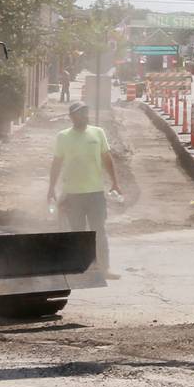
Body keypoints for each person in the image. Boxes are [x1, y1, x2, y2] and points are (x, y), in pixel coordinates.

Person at [47, 101, 121, 279]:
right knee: (78, 232)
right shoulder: (63, 137)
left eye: (86, 112)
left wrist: (115, 182)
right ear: (72, 116)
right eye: (80, 113)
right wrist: (51, 187)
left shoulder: (98, 133)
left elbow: (106, 158)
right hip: (72, 194)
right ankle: (82, 268)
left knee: (99, 230)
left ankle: (104, 268)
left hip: (95, 192)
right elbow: (56, 163)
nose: (84, 116)